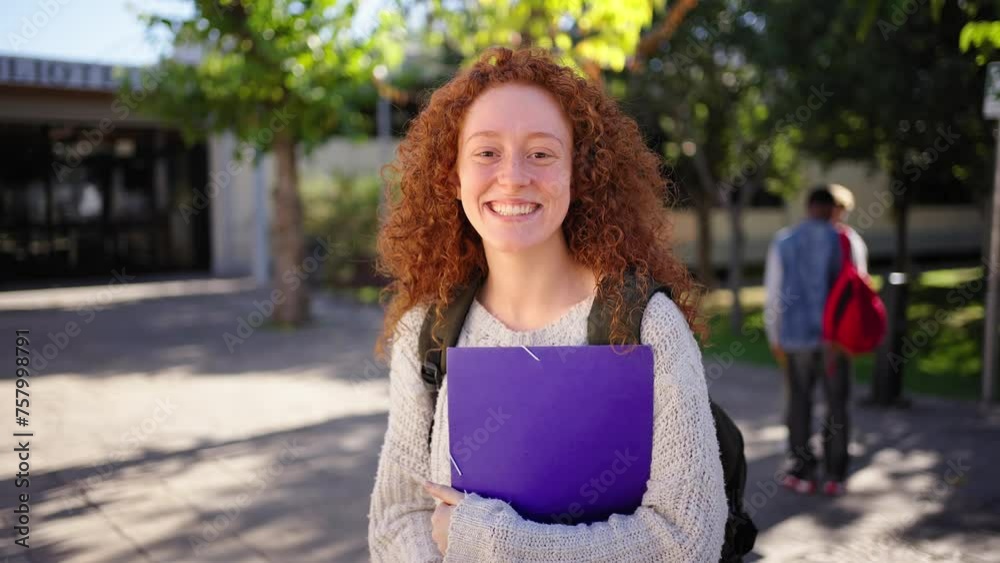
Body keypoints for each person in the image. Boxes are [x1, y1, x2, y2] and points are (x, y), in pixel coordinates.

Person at [368, 48, 727, 562]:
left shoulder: (645, 325)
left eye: (541, 153)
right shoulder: (426, 330)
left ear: (578, 173)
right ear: (453, 175)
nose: (513, 176)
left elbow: (688, 542)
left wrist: (497, 543)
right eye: (486, 152)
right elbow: (397, 518)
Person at [763, 186, 848, 496]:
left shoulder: (785, 241)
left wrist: (774, 335)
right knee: (836, 405)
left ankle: (804, 472)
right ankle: (835, 474)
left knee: (799, 404)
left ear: (808, 205)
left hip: (796, 338)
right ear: (833, 208)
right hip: (834, 340)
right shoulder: (845, 240)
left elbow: (773, 294)